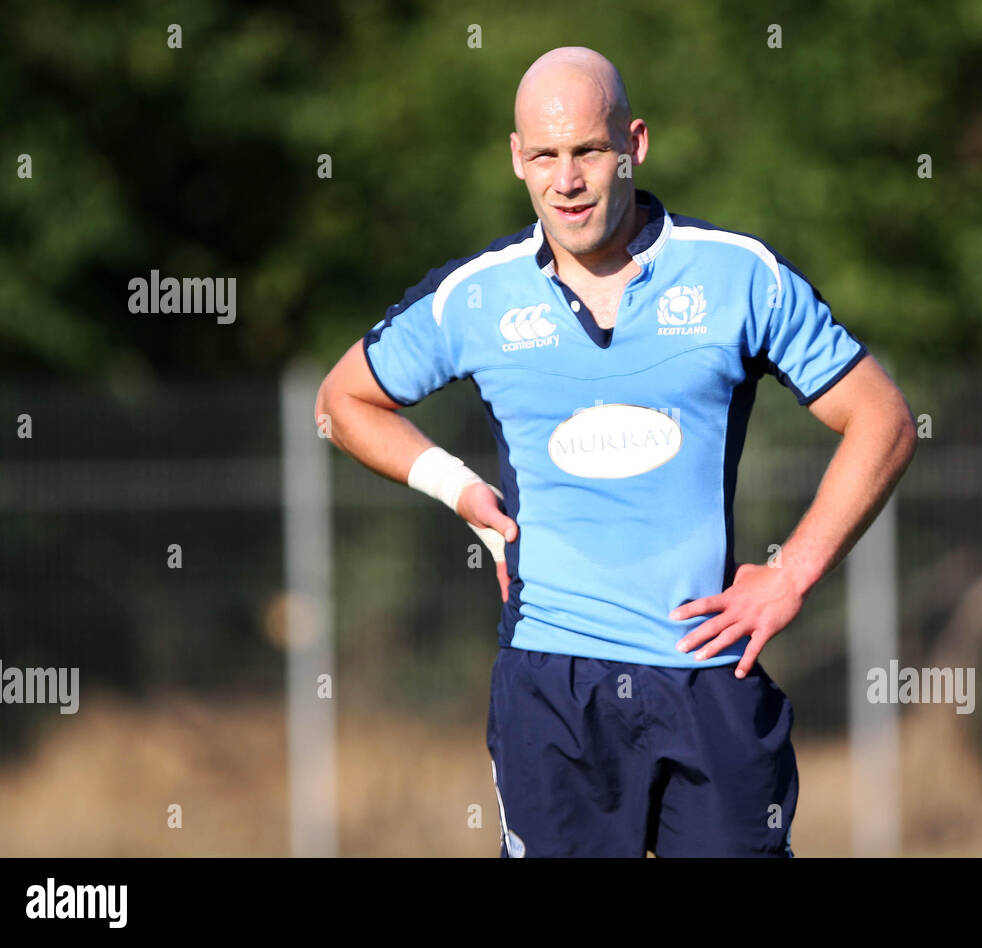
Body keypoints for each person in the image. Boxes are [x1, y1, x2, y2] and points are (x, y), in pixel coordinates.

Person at [315, 46, 917, 857]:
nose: (567, 180)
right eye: (545, 155)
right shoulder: (477, 295)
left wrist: (792, 572)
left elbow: (882, 417)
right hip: (552, 688)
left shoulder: (738, 277)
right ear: (517, 160)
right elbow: (343, 401)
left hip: (710, 676)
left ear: (633, 144)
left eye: (589, 151)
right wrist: (461, 492)